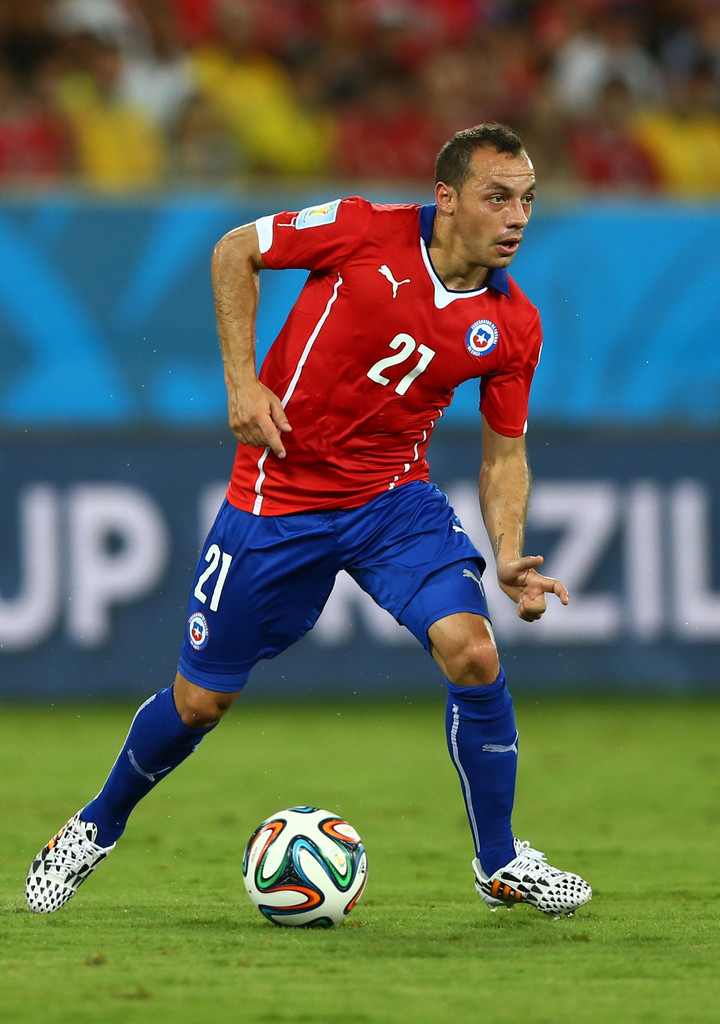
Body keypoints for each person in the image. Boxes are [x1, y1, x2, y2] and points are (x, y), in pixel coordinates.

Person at [26, 123, 592, 919]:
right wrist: (241, 383)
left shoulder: (514, 324)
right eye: (498, 197)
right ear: (448, 198)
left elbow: (503, 458)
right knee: (199, 704)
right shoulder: (362, 230)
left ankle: (499, 860)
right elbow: (234, 251)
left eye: (527, 200)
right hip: (278, 494)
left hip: (392, 499)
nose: (517, 217)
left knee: (473, 652)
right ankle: (94, 827)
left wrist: (506, 554)